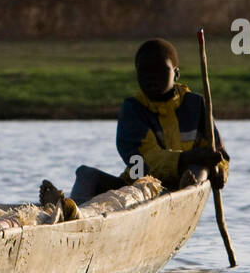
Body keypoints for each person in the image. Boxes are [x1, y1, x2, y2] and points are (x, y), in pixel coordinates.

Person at [69, 37, 230, 204]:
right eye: (144, 71)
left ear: (176, 74)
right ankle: (72, 212)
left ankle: (185, 195)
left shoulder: (197, 105)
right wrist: (184, 158)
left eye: (160, 71)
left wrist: (219, 171)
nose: (151, 78)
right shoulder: (133, 109)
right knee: (86, 174)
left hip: (186, 184)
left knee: (200, 168)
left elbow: (219, 153)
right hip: (136, 189)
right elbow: (141, 163)